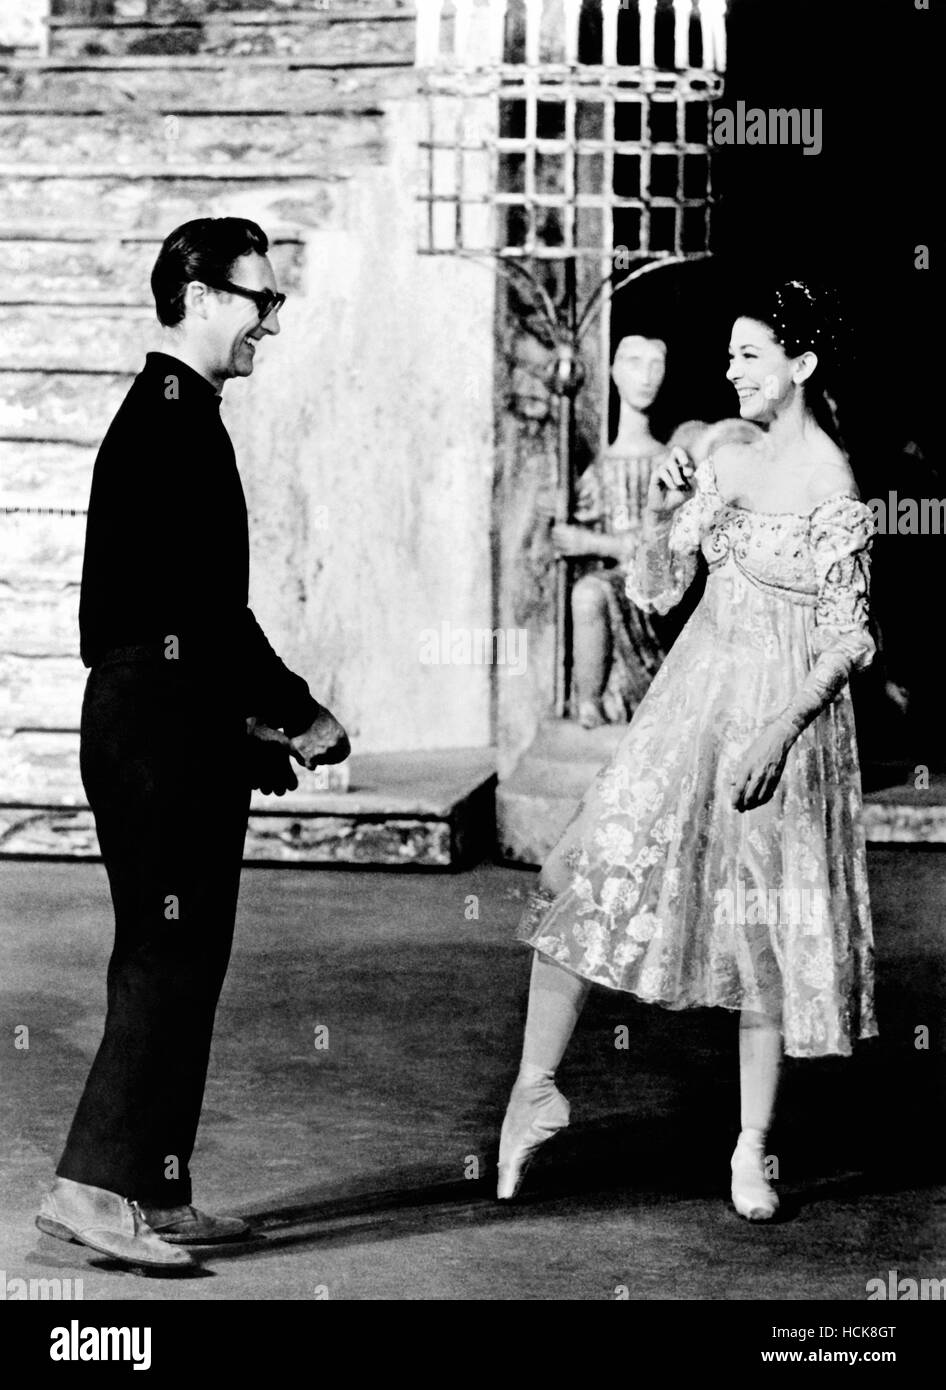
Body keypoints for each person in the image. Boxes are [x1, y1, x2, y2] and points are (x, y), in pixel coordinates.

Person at [497, 280, 877, 1220]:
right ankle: (533, 1089)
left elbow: (849, 639)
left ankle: (751, 1150)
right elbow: (659, 591)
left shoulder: (834, 488)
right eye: (731, 355)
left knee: (766, 936)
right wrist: (669, 512)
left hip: (784, 727)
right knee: (585, 869)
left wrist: (783, 733)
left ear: (802, 366)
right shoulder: (723, 450)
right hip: (694, 702)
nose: (731, 370)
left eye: (750, 355)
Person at [36, 218, 349, 1269]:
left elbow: (186, 617)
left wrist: (244, 722)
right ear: (203, 294)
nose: (271, 322)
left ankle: (155, 1187)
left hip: (167, 722)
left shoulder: (176, 415)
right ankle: (89, 1185)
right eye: (261, 301)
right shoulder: (173, 422)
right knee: (165, 956)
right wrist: (297, 709)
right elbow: (202, 618)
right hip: (152, 728)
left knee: (188, 953)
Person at [550, 333, 674, 728]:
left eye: (656, 364)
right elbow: (567, 531)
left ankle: (595, 702)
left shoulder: (670, 460)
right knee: (589, 590)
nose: (646, 376)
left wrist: (590, 541)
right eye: (635, 363)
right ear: (614, 373)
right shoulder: (600, 470)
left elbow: (663, 547)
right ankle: (588, 701)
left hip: (656, 587)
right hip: (614, 581)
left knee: (590, 593)